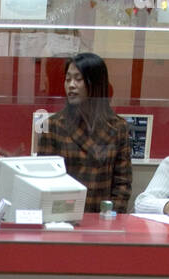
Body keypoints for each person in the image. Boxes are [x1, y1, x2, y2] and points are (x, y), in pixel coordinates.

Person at [35, 52, 131, 213]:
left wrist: (111, 216)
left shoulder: (118, 127)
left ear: (95, 83)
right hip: (63, 218)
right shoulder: (53, 126)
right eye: (68, 79)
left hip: (103, 219)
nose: (71, 85)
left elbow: (122, 184)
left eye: (78, 79)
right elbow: (45, 182)